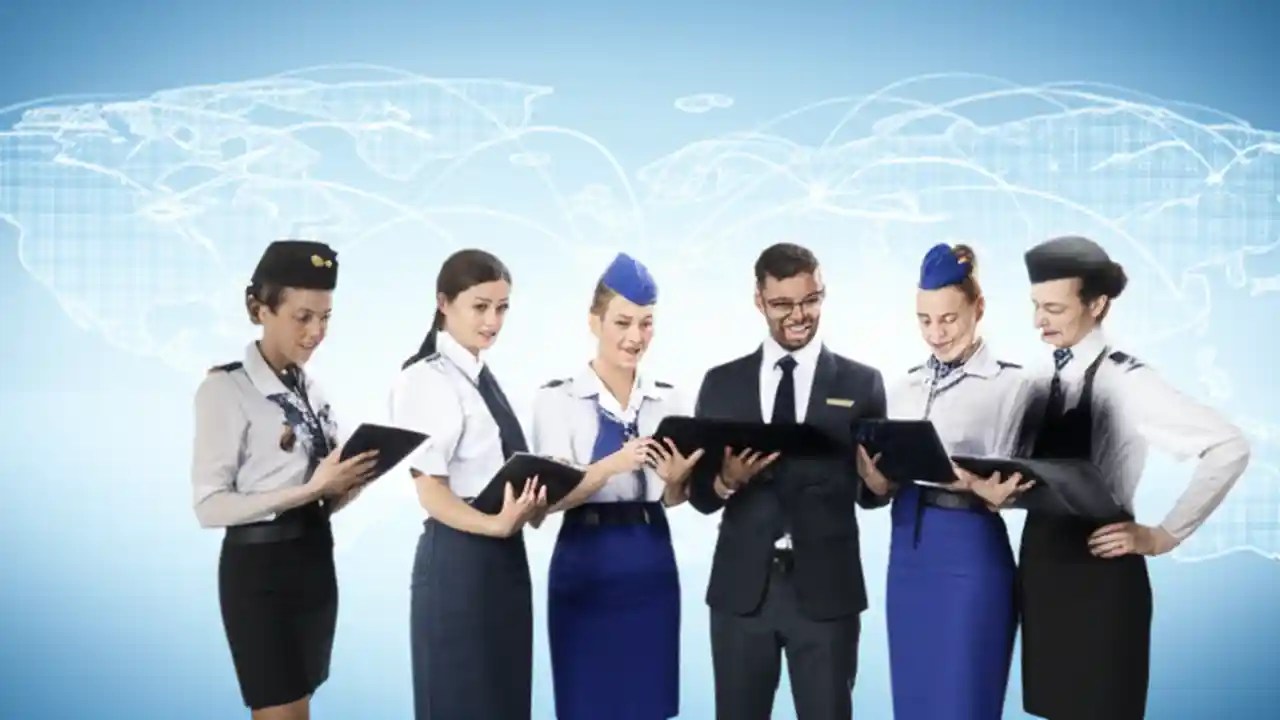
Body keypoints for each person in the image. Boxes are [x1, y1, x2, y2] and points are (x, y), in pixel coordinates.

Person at [997, 234, 1252, 720]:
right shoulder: (1031, 379)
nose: (1038, 321)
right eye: (1034, 306)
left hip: (1102, 576)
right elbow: (1013, 466)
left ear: (1097, 304)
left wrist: (1164, 534)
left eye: (1053, 308)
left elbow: (1228, 446)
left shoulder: (1128, 381)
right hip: (1042, 567)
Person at [686, 241, 890, 720]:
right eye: (783, 304)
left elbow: (872, 492)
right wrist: (726, 481)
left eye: (811, 300)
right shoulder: (722, 383)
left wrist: (879, 486)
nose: (799, 315)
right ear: (759, 300)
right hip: (741, 594)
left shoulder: (863, 384)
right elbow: (698, 496)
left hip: (827, 593)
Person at [191, 239, 380, 719]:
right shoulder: (226, 388)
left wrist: (344, 487)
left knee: (301, 707)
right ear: (259, 309)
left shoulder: (312, 390)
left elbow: (316, 494)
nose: (317, 332)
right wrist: (313, 488)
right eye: (303, 317)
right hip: (261, 572)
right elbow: (209, 505)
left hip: (313, 561)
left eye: (326, 317)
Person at [854, 243, 1034, 720]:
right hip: (907, 553)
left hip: (969, 554)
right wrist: (876, 483)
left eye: (949, 319)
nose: (936, 333)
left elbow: (1029, 477)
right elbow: (886, 482)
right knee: (913, 704)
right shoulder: (902, 387)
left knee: (963, 702)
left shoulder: (1013, 386)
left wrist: (985, 490)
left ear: (979, 308)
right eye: (924, 320)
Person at [531, 252, 706, 720]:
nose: (635, 337)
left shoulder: (670, 399)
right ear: (595, 321)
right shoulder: (558, 400)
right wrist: (612, 465)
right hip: (585, 560)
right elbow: (548, 504)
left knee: (648, 703)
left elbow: (673, 496)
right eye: (623, 322)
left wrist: (675, 484)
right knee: (587, 703)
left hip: (650, 559)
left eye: (646, 324)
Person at [388, 248, 546, 720]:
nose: (493, 320)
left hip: (504, 555)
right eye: (480, 306)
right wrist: (496, 526)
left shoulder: (480, 375)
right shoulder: (424, 379)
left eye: (502, 308)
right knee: (462, 702)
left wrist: (531, 505)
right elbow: (431, 491)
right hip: (459, 559)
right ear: (443, 302)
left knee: (505, 702)